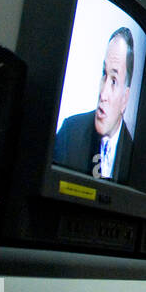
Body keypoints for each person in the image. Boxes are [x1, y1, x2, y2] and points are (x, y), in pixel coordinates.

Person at [54, 27, 136, 183]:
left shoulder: (135, 156)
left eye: (113, 81)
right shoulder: (69, 133)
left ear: (125, 98)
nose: (103, 94)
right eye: (104, 74)